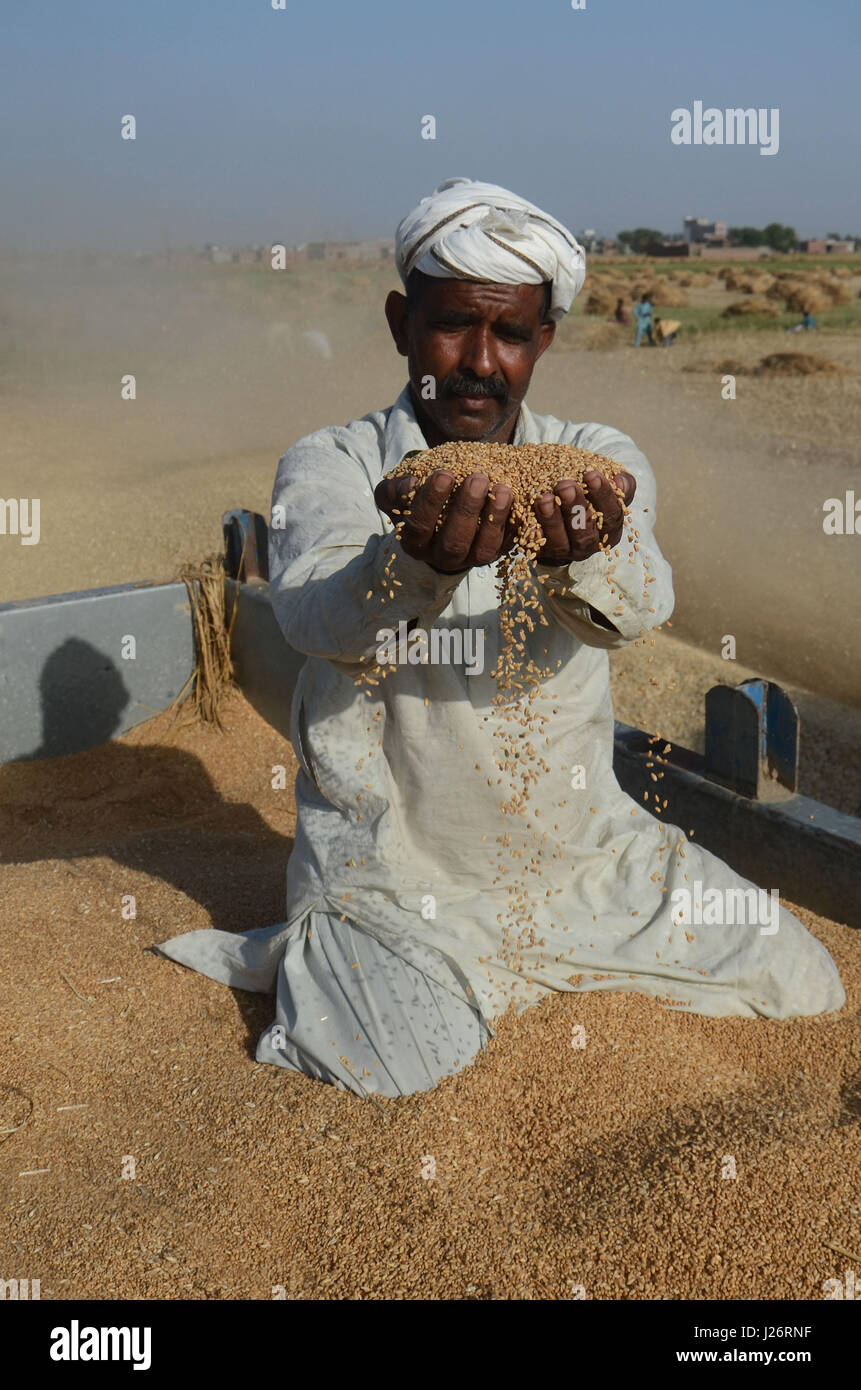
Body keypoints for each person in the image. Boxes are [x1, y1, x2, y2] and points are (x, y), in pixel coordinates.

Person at [157, 178, 844, 1098]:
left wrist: (582, 556)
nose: (478, 362)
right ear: (402, 324)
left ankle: (521, 963)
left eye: (511, 335)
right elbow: (314, 617)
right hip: (399, 877)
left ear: (543, 339)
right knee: (389, 1064)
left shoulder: (597, 460)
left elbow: (642, 605)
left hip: (584, 861)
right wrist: (411, 566)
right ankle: (334, 950)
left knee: (804, 981)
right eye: (451, 326)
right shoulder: (335, 463)